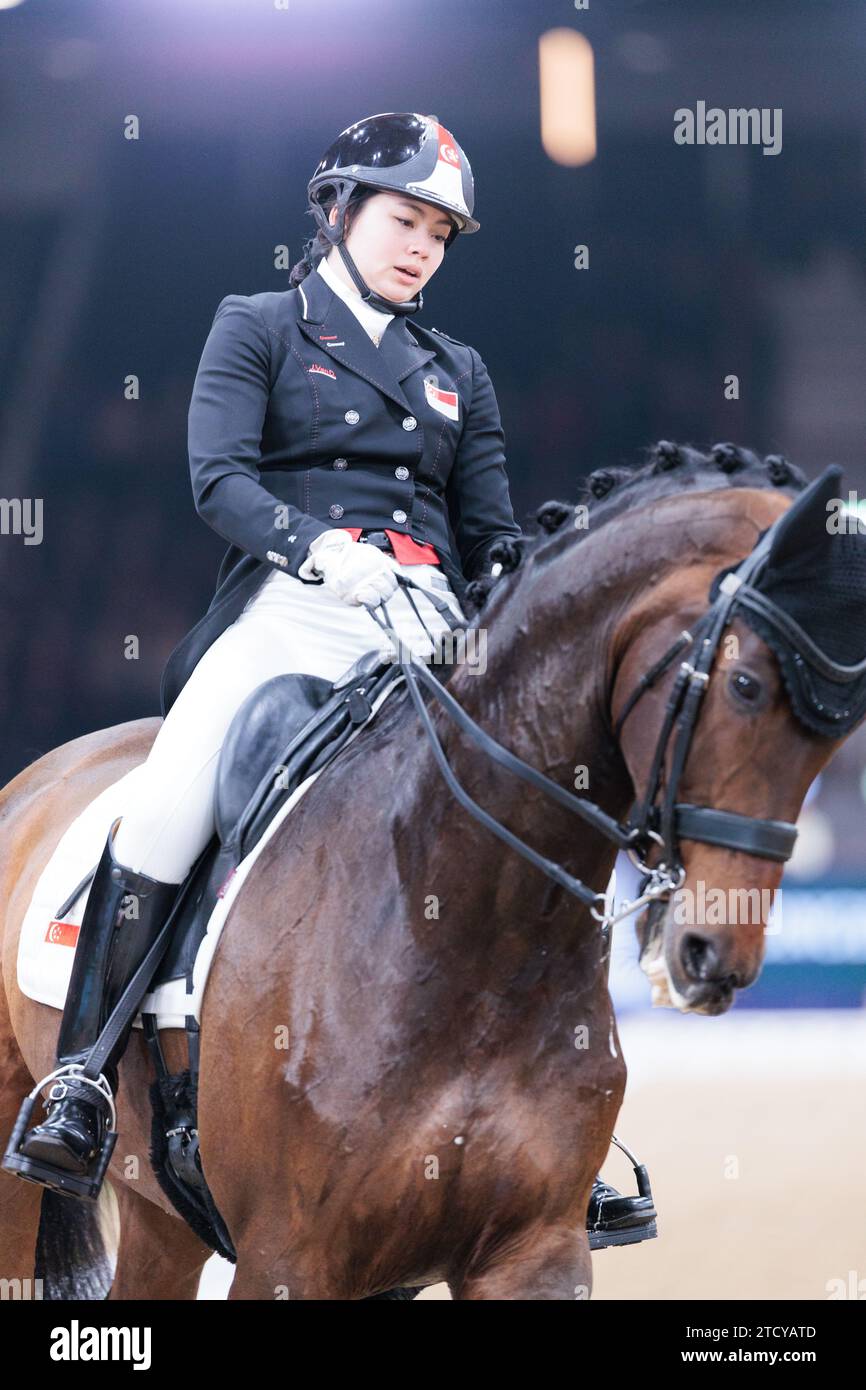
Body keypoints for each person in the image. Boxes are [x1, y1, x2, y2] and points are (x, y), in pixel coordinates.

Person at [5, 113, 655, 1246]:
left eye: (439, 236)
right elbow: (218, 478)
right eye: (405, 221)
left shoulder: (456, 370)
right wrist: (322, 552)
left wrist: (514, 604)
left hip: (425, 630)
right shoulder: (260, 324)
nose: (421, 249)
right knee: (166, 804)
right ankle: (83, 1079)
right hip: (293, 610)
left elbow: (491, 531)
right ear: (342, 210)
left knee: (526, 808)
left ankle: (554, 1115)